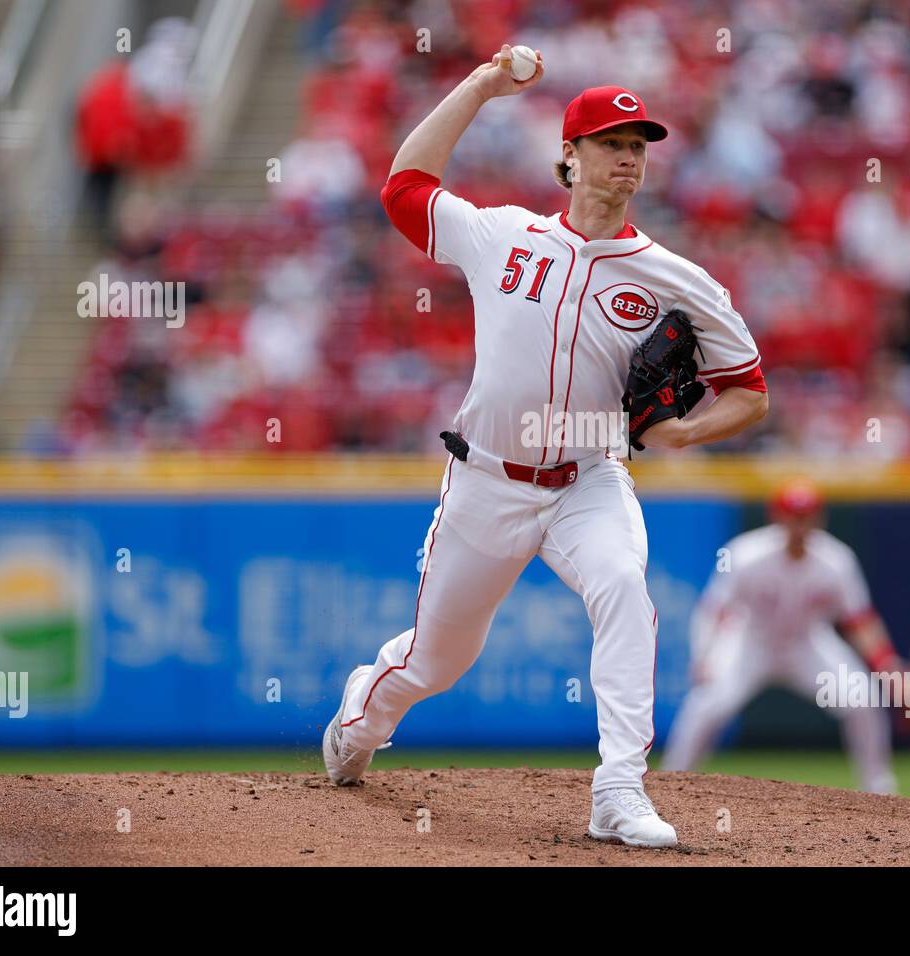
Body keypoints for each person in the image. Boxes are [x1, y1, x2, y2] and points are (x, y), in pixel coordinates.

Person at [322, 44, 769, 848]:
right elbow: (403, 187)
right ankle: (362, 714)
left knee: (624, 586)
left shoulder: (675, 278)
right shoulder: (504, 237)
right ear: (570, 153)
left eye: (638, 148)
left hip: (589, 480)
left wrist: (686, 432)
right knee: (435, 662)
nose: (628, 160)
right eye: (610, 144)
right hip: (487, 479)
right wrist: (485, 84)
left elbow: (749, 390)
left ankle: (620, 790)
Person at [662, 479, 910, 795]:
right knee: (706, 704)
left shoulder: (836, 560)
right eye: (793, 515)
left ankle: (879, 787)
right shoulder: (745, 554)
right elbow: (713, 610)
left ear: (819, 519)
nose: (800, 524)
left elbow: (859, 619)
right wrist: (702, 656)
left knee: (862, 698)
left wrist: (888, 664)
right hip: (749, 642)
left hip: (806, 643)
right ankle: (669, 783)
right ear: (777, 517)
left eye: (807, 515)